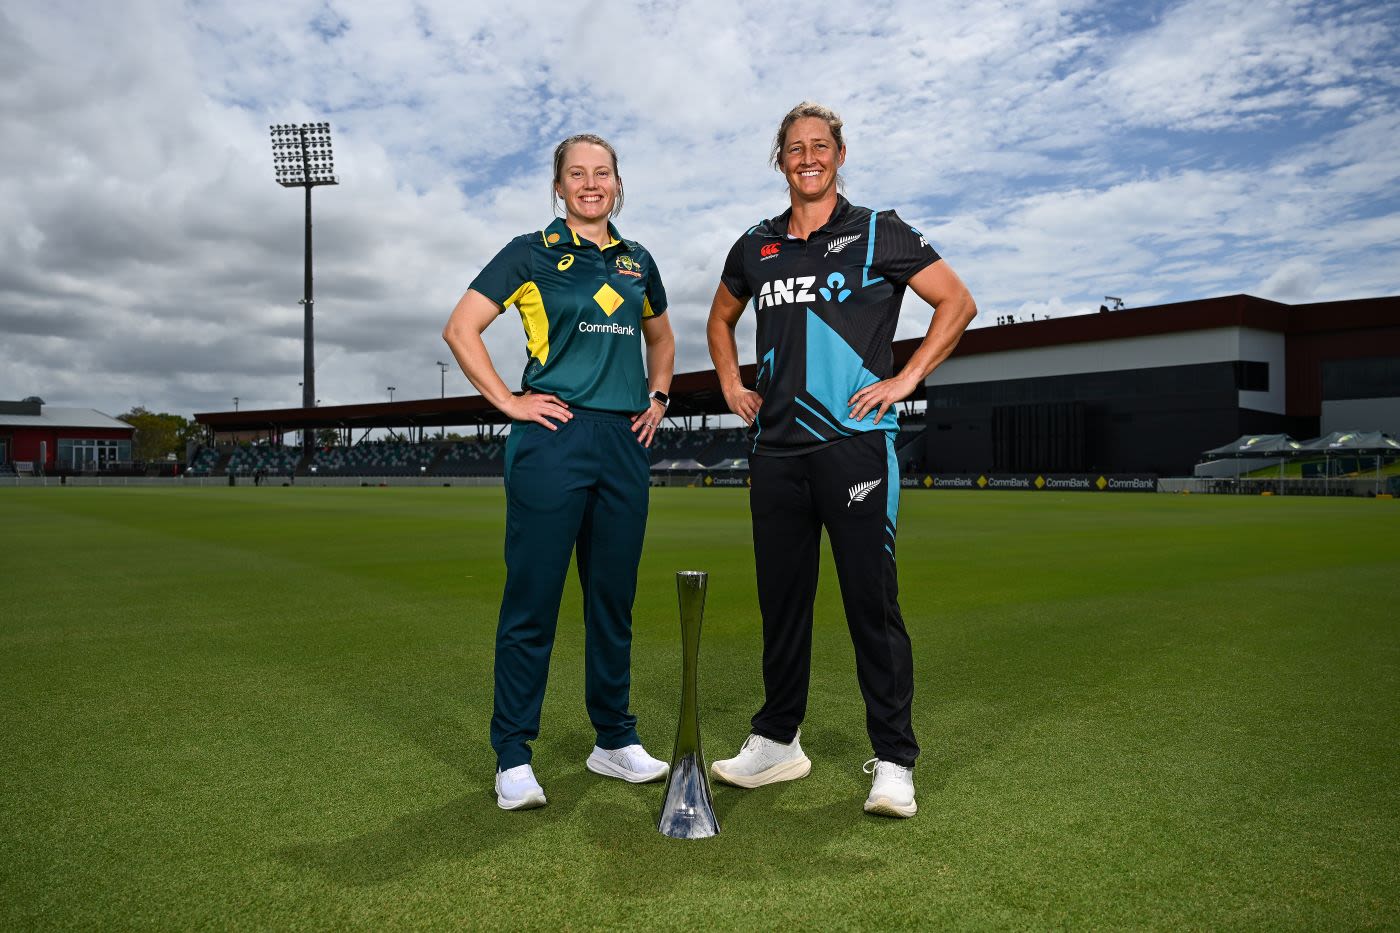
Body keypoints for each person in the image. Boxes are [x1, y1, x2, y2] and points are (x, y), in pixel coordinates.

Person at [705, 102, 977, 818]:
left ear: (840, 153)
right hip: (776, 454)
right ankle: (777, 740)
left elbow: (956, 302)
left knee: (871, 604)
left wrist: (905, 380)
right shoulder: (756, 246)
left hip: (856, 445)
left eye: (819, 146)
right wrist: (733, 383)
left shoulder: (877, 231)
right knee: (782, 606)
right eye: (794, 148)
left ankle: (894, 761)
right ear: (780, 160)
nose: (807, 158)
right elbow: (720, 316)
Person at [442, 133, 676, 811]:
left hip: (624, 441)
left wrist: (659, 396)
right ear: (559, 186)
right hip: (553, 436)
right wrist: (509, 401)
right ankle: (513, 754)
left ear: (617, 181)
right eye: (577, 173)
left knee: (613, 601)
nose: (591, 183)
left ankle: (614, 739)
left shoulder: (639, 261)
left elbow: (660, 337)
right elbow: (462, 327)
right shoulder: (531, 251)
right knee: (533, 601)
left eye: (601, 172)